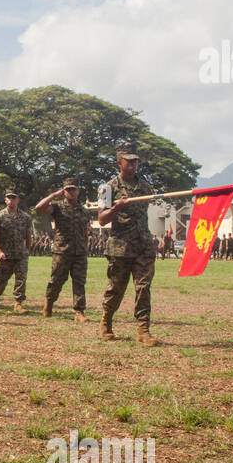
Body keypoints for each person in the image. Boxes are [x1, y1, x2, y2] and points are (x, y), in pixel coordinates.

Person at [98, 145, 160, 345]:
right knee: (116, 288)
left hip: (143, 246)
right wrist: (118, 207)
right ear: (119, 162)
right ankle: (106, 322)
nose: (133, 164)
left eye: (135, 161)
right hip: (120, 247)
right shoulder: (107, 188)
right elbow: (102, 219)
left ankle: (143, 330)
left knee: (143, 287)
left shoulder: (144, 186)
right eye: (128, 161)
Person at [36, 177, 90, 321]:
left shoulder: (84, 210)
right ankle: (48, 303)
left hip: (80, 252)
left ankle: (79, 311)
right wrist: (54, 195)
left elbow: (85, 231)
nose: (71, 192)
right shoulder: (57, 206)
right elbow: (39, 208)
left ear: (78, 190)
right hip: (62, 250)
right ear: (64, 191)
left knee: (79, 281)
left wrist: (85, 246)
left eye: (74, 189)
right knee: (57, 280)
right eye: (68, 189)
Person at [0, 189, 33, 312]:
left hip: (20, 254)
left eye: (14, 197)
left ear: (18, 200)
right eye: (9, 197)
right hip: (5, 255)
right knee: (1, 280)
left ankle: (18, 303)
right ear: (5, 200)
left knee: (21, 279)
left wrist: (27, 251)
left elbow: (28, 235)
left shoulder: (25, 217)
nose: (11, 200)